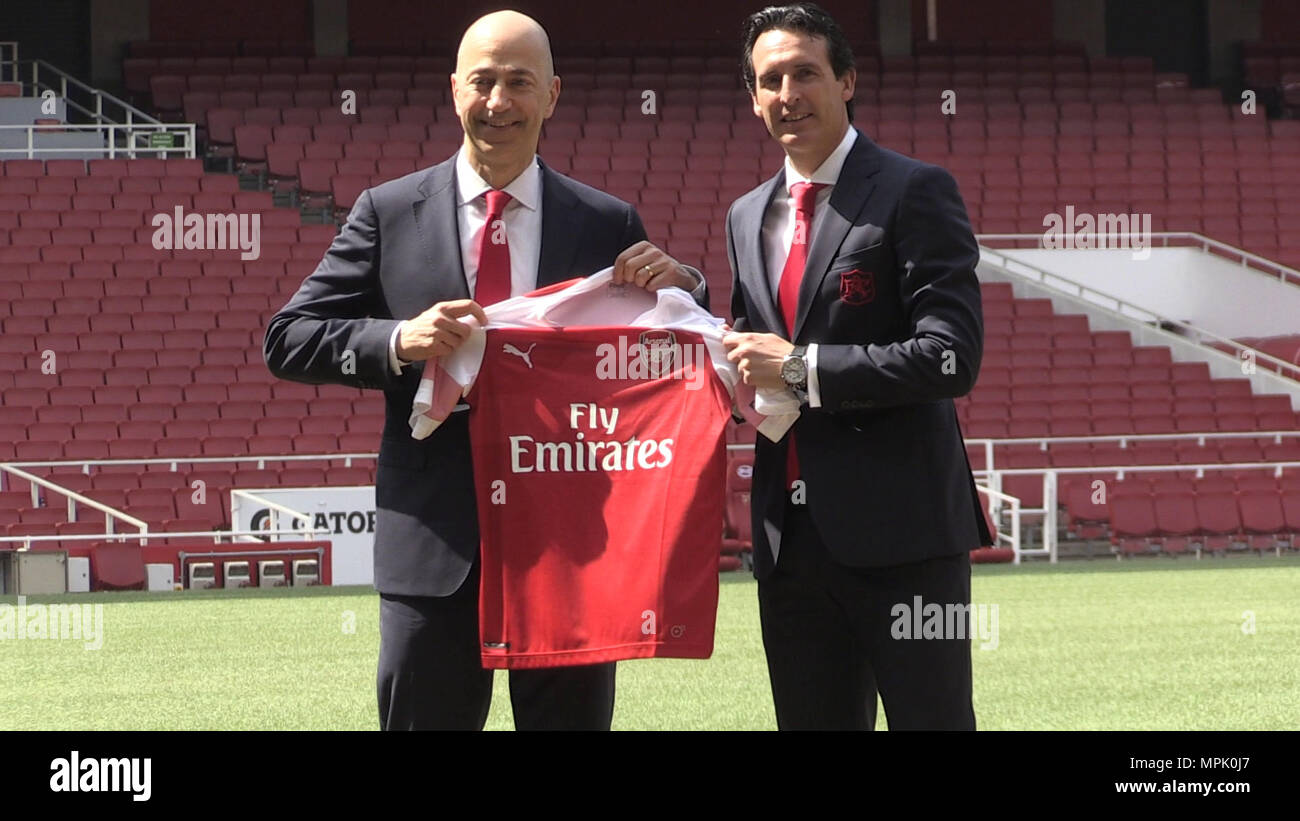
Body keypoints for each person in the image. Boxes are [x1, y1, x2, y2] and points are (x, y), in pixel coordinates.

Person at [264, 9, 705, 730]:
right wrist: (399, 339)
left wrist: (686, 280)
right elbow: (288, 337)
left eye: (519, 83)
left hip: (569, 547)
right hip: (434, 543)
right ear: (454, 90)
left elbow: (671, 331)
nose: (498, 102)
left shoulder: (604, 221)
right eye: (483, 81)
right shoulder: (388, 212)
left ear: (553, 95)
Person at [722, 2, 992, 730]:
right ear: (753, 97)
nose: (788, 94)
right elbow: (757, 347)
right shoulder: (745, 216)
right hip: (789, 543)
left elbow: (950, 356)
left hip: (906, 541)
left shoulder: (914, 189)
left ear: (846, 81)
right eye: (770, 79)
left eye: (805, 73)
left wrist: (804, 368)